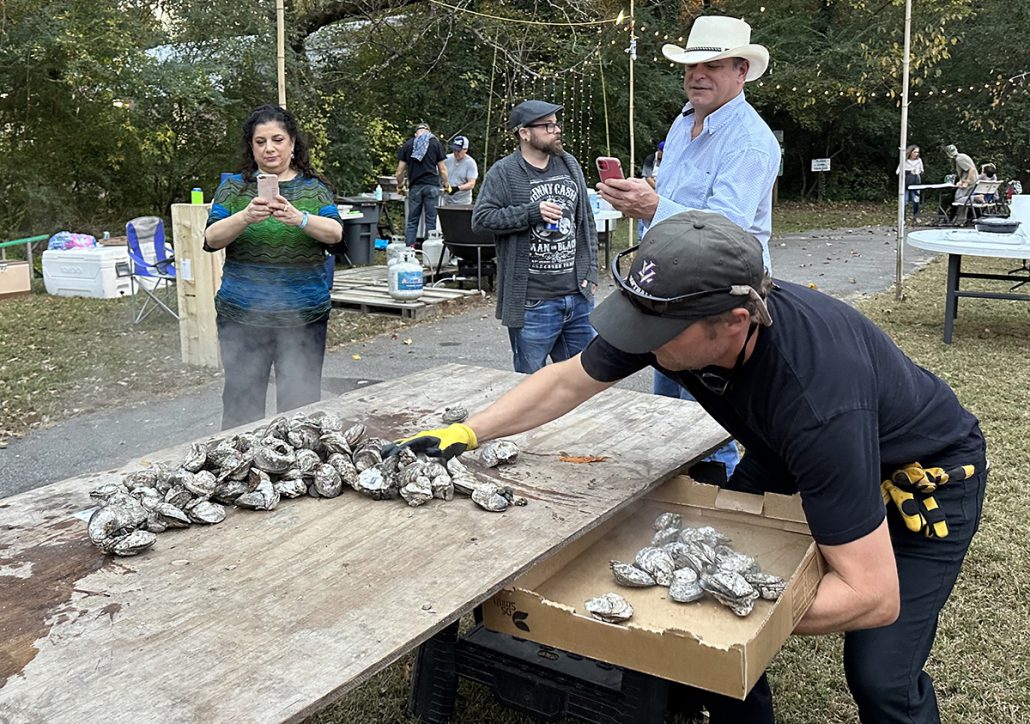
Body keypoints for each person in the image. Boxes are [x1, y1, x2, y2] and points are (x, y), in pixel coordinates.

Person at [391, 210, 988, 724]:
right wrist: (468, 430)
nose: (640, 343)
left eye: (655, 334)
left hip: (925, 478)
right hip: (784, 457)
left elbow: (871, 596)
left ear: (734, 322)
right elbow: (567, 381)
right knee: (705, 610)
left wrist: (704, 602)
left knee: (880, 672)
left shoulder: (817, 401)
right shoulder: (668, 315)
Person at [596, 15, 781, 482]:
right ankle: (675, 491)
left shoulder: (751, 142)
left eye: (713, 64)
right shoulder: (684, 123)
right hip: (667, 288)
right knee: (669, 408)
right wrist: (645, 192)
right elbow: (681, 194)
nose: (698, 74)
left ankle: (717, 496)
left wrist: (654, 206)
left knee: (709, 416)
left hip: (718, 298)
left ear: (741, 71)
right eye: (692, 65)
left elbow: (728, 235)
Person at [204, 104, 345, 430]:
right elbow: (211, 239)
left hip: (304, 316)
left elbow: (336, 234)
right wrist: (245, 216)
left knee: (300, 409)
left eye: (277, 139)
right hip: (242, 317)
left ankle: (295, 472)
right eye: (260, 141)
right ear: (251, 147)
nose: (269, 148)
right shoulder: (234, 189)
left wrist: (300, 218)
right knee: (242, 406)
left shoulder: (314, 189)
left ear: (292, 143)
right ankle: (237, 472)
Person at [471, 99, 599, 374]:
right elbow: (481, 220)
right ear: (524, 133)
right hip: (532, 303)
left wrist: (591, 269)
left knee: (583, 380)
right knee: (530, 386)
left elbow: (585, 221)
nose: (556, 130)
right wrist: (531, 213)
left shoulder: (569, 164)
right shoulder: (504, 172)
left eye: (556, 124)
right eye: (547, 125)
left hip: (578, 296)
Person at [396, 122, 449, 246]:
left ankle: (409, 251)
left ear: (416, 133)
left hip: (415, 187)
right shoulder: (435, 143)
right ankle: (428, 252)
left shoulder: (408, 145)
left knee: (412, 221)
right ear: (428, 131)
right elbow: (442, 169)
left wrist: (400, 186)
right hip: (432, 186)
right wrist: (446, 184)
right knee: (430, 221)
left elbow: (399, 171)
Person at [442, 136, 479, 206]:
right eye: (454, 150)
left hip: (463, 202)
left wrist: (457, 188)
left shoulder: (470, 163)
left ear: (465, 150)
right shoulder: (447, 159)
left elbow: (471, 184)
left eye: (458, 151)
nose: (456, 153)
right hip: (446, 201)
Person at [896, 145, 924, 223]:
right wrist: (908, 172)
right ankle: (903, 219)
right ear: (910, 152)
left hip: (916, 183)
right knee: (904, 201)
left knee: (916, 200)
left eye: (917, 152)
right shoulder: (904, 161)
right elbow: (898, 171)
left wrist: (918, 172)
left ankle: (916, 216)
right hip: (906, 184)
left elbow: (922, 170)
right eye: (914, 152)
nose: (916, 154)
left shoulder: (919, 160)